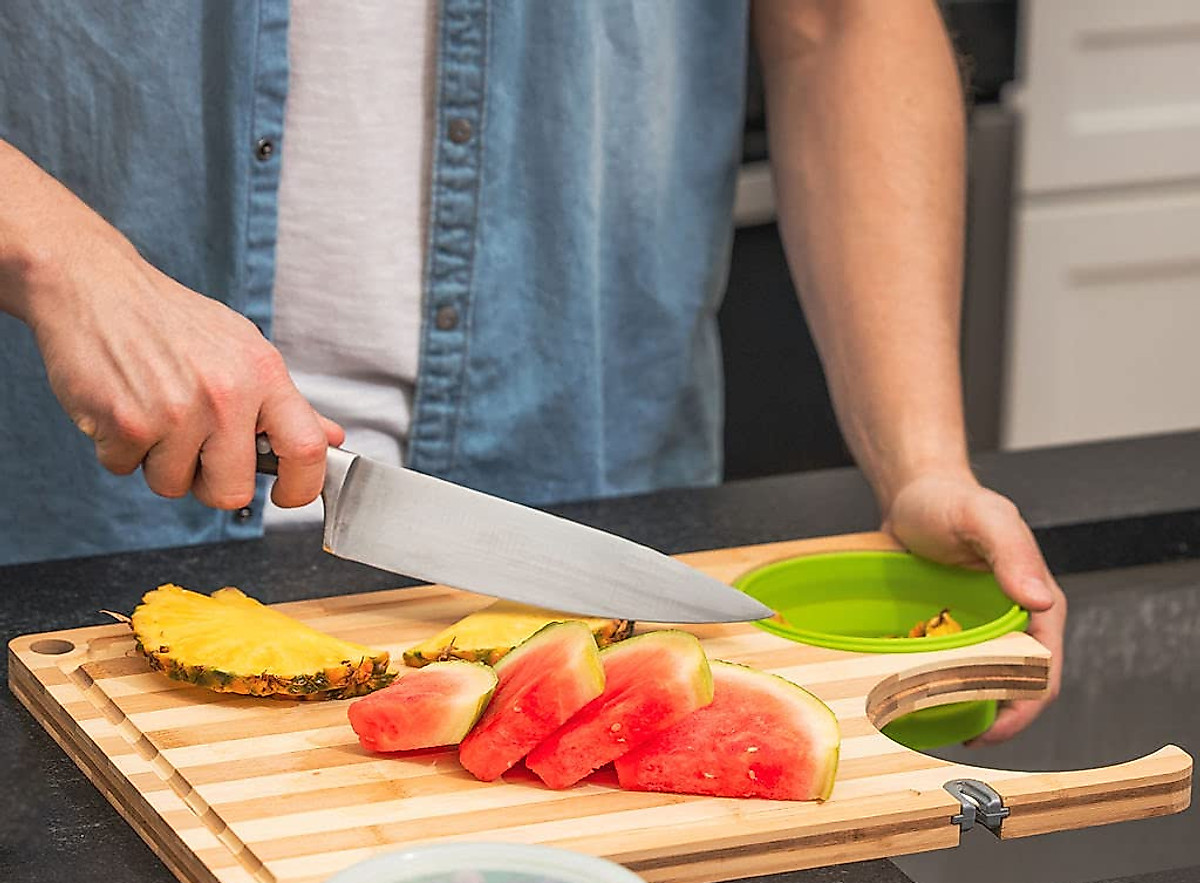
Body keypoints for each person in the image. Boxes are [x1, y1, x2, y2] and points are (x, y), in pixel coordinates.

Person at [0, 0, 1064, 742]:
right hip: (64, 540)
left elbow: (843, 22)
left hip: (601, 488)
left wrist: (923, 463)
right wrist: (61, 254)